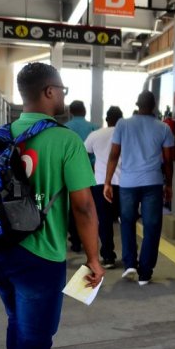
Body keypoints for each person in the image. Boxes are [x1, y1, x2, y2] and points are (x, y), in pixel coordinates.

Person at [0, 62, 103, 349]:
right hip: (40, 256)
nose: (63, 96)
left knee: (18, 323)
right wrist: (94, 259)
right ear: (49, 92)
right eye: (61, 90)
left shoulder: (1, 135)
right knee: (36, 339)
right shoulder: (64, 140)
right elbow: (84, 208)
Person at [103, 91, 175, 286]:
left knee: (127, 222)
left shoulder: (122, 124)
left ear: (137, 104)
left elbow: (114, 155)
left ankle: (129, 265)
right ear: (154, 106)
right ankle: (145, 273)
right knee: (152, 226)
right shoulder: (164, 128)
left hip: (127, 183)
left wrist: (108, 182)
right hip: (153, 182)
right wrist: (169, 184)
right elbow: (168, 161)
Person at [84, 106, 123, 269]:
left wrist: (92, 168)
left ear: (106, 119)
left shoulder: (95, 134)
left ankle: (108, 257)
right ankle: (130, 257)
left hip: (100, 182)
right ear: (121, 120)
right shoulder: (126, 134)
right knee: (126, 220)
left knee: (104, 220)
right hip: (124, 183)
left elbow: (84, 153)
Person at [65, 100, 98, 255]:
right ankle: (90, 240)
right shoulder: (94, 128)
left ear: (71, 112)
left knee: (73, 208)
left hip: (70, 173)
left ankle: (76, 241)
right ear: (84, 111)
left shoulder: (64, 128)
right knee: (89, 207)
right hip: (91, 172)